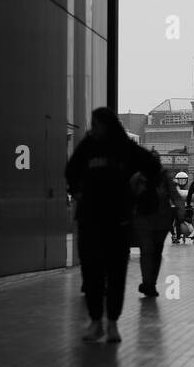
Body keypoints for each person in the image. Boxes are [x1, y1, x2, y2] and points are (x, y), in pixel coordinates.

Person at [65, 107, 161, 343]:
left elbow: (152, 165)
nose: (92, 129)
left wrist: (141, 192)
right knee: (92, 273)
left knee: (117, 273)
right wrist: (77, 192)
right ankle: (96, 321)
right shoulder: (87, 147)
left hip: (118, 221)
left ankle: (112, 323)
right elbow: (70, 170)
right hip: (89, 220)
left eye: (96, 124)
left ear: (107, 125)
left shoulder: (124, 148)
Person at [133, 153, 173, 298]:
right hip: (160, 221)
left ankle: (148, 283)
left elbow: (130, 197)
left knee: (148, 253)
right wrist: (181, 216)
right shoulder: (164, 177)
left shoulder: (138, 177)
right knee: (154, 253)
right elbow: (175, 196)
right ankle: (150, 284)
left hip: (144, 221)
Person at [169, 171, 190, 243]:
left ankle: (173, 235)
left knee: (170, 223)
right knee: (178, 223)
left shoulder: (169, 188)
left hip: (171, 208)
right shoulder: (178, 188)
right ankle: (177, 237)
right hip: (177, 208)